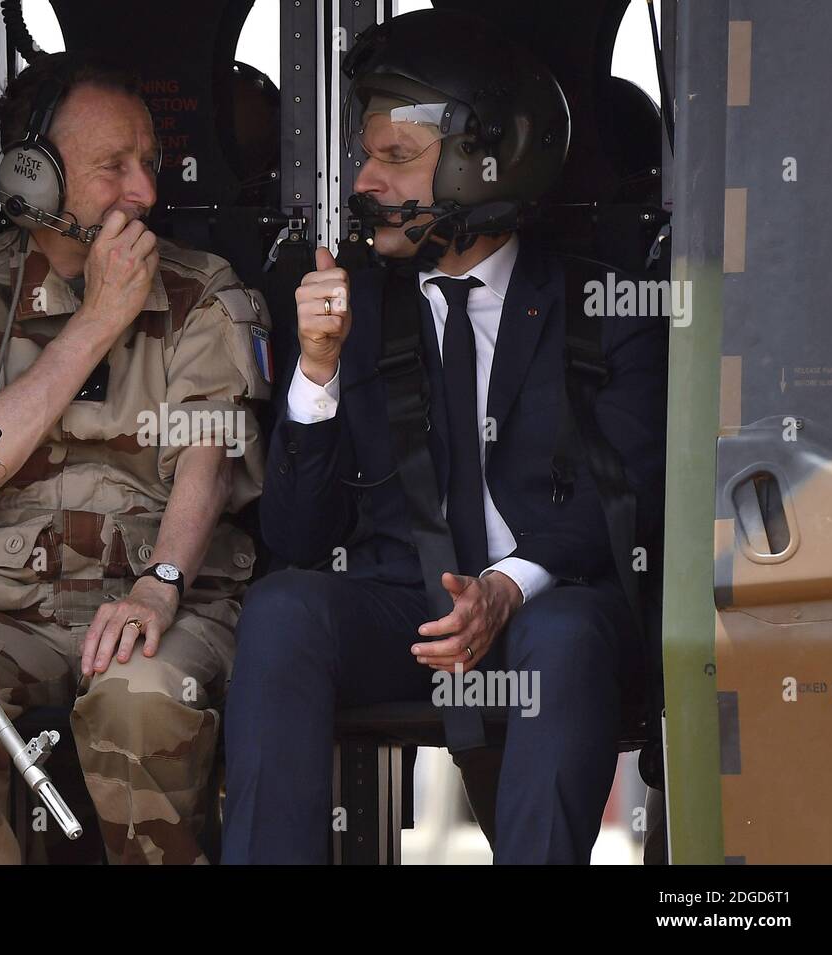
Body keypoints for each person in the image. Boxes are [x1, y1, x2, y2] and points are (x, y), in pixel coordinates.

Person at [221, 9, 668, 864]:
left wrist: (507, 586)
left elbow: (634, 495)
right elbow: (296, 538)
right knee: (283, 610)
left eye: (396, 158)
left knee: (567, 631)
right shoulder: (347, 307)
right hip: (406, 608)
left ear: (478, 163)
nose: (364, 182)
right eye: (364, 155)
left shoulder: (607, 308)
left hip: (549, 613)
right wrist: (315, 372)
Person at [0, 53, 270, 864]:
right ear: (35, 178)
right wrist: (96, 321)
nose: (146, 193)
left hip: (160, 595)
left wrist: (161, 587)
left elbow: (209, 456)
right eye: (114, 168)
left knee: (142, 701)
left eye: (150, 164)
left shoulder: (204, 289)